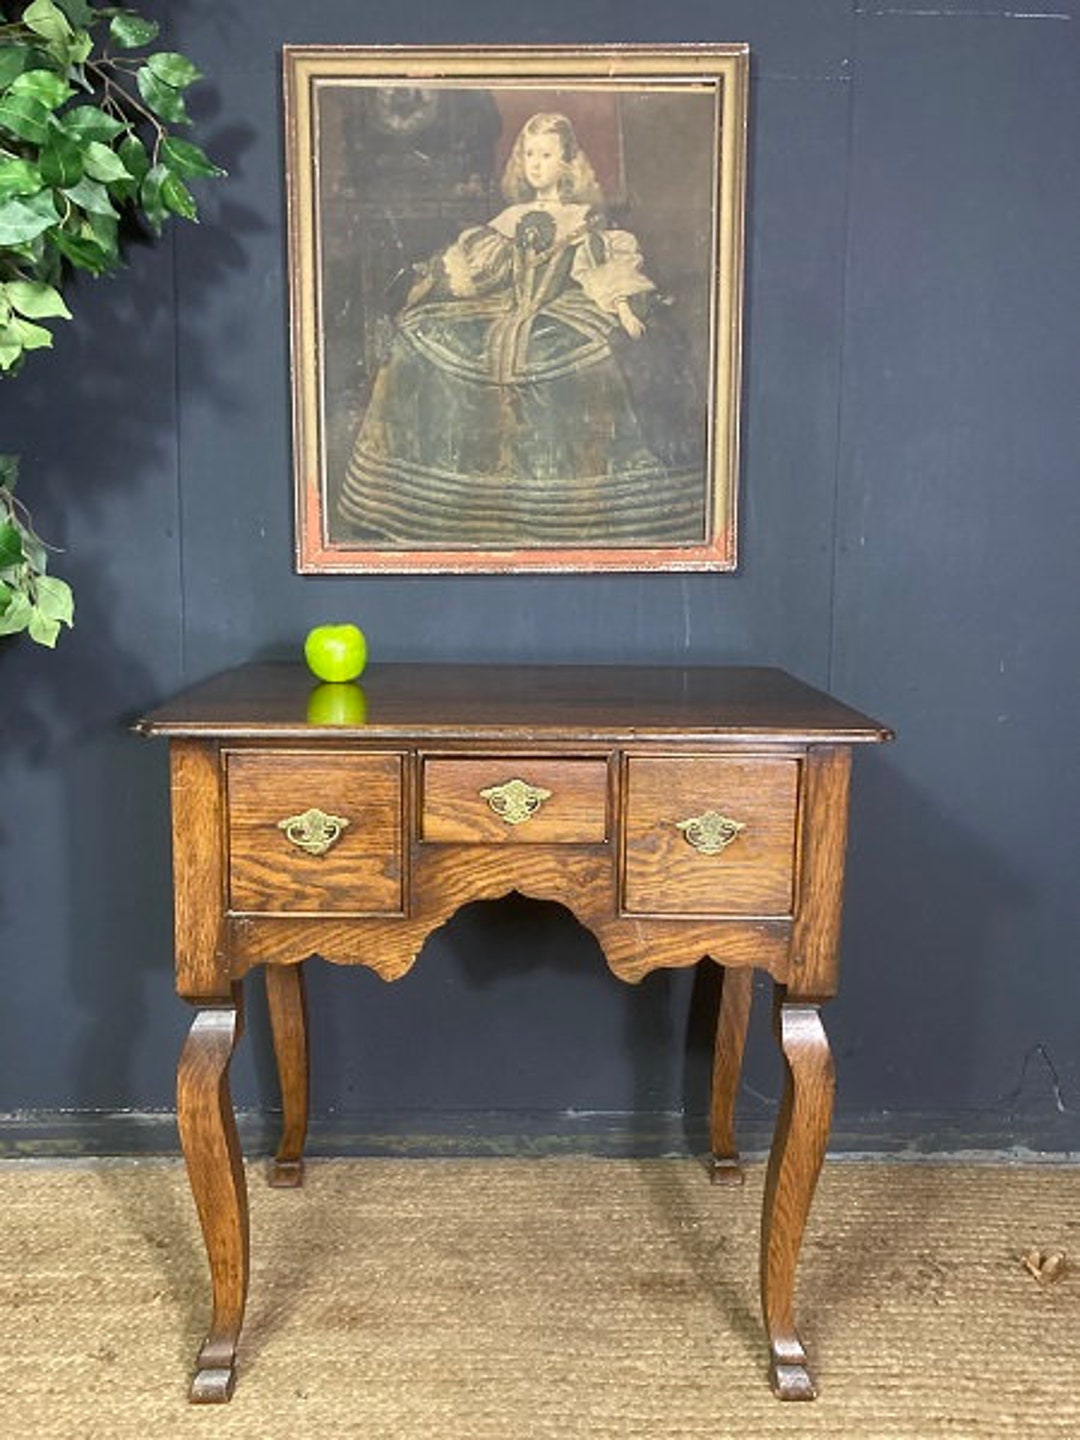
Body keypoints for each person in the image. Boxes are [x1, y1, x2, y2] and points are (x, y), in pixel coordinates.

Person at [337, 111, 704, 549]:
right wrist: (436, 280)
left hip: (561, 310)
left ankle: (559, 510)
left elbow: (601, 270)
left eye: (546, 154)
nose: (535, 164)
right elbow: (480, 270)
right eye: (529, 153)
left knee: (581, 365)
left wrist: (623, 307)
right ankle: (425, 500)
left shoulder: (582, 218)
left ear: (568, 162)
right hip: (504, 308)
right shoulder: (511, 217)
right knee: (418, 336)